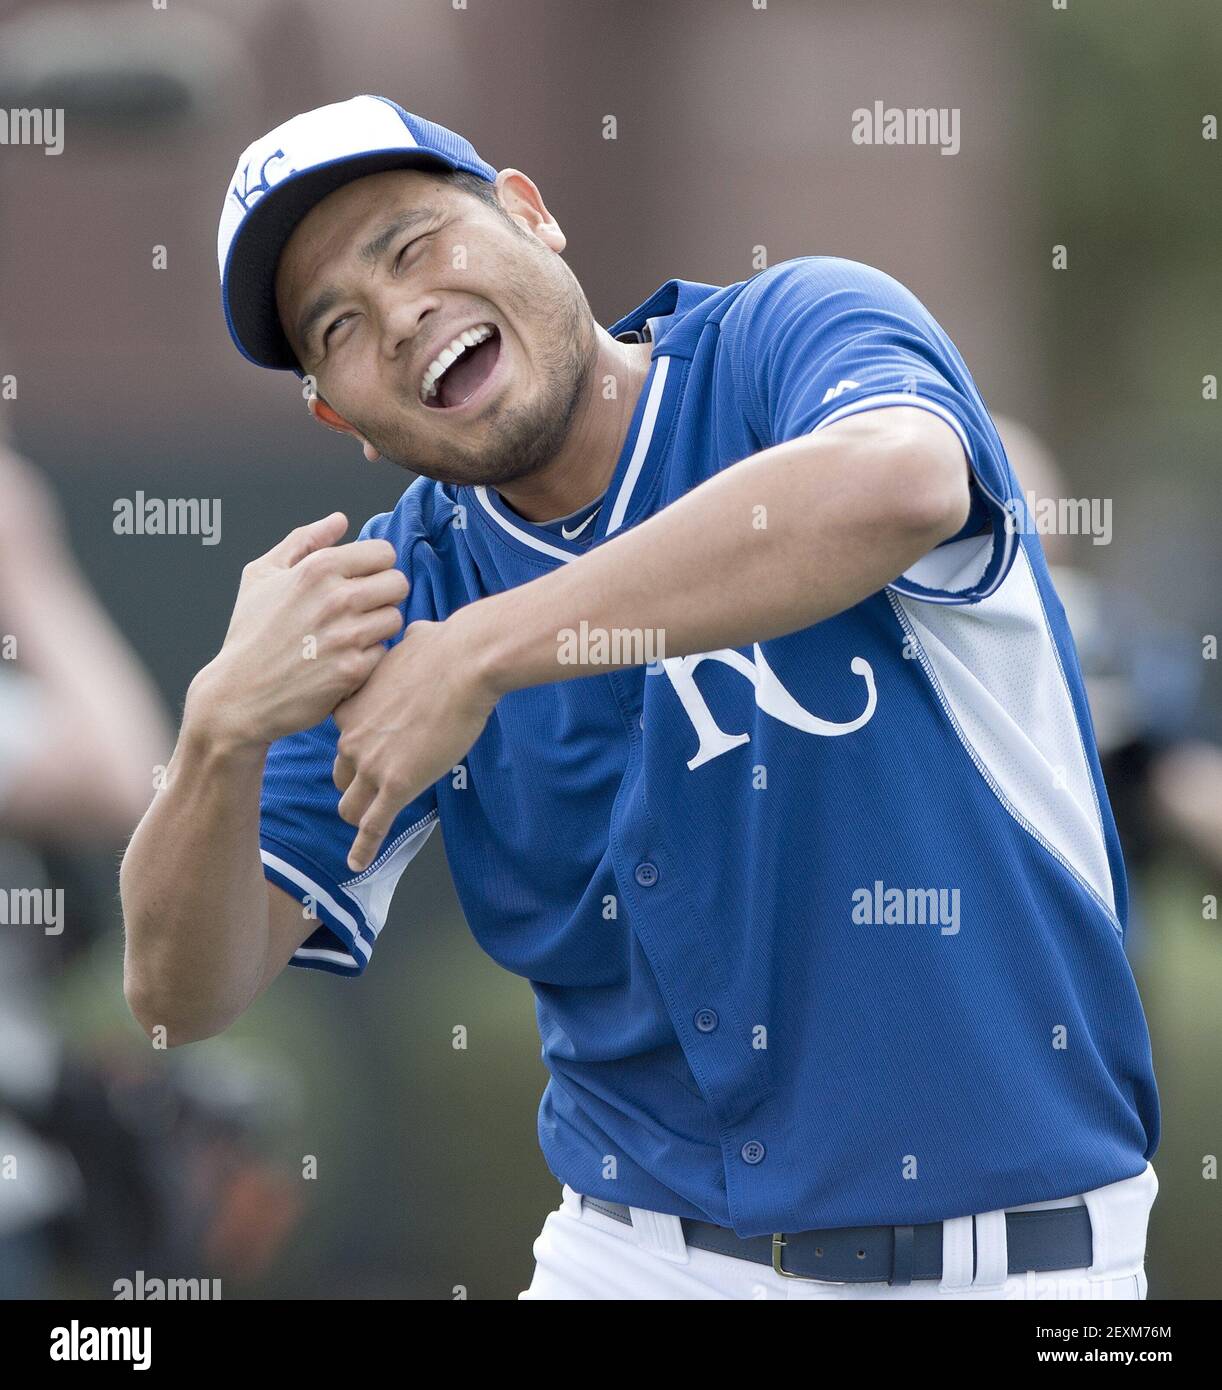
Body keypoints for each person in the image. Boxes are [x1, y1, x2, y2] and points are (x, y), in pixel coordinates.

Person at [121, 96, 1159, 1299]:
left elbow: (903, 479)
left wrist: (482, 653)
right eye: (336, 326)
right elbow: (179, 996)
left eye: (412, 246)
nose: (400, 315)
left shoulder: (792, 333)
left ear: (530, 213)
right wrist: (215, 737)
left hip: (1015, 1260)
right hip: (632, 1259)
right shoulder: (389, 596)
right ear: (337, 414)